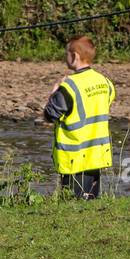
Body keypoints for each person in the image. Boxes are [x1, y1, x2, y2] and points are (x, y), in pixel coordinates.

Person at [42, 35, 115, 200]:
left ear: (74, 56)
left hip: (75, 157)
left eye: (66, 54)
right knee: (90, 201)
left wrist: (53, 94)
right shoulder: (105, 82)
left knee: (72, 204)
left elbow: (49, 115)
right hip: (97, 155)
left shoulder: (69, 86)